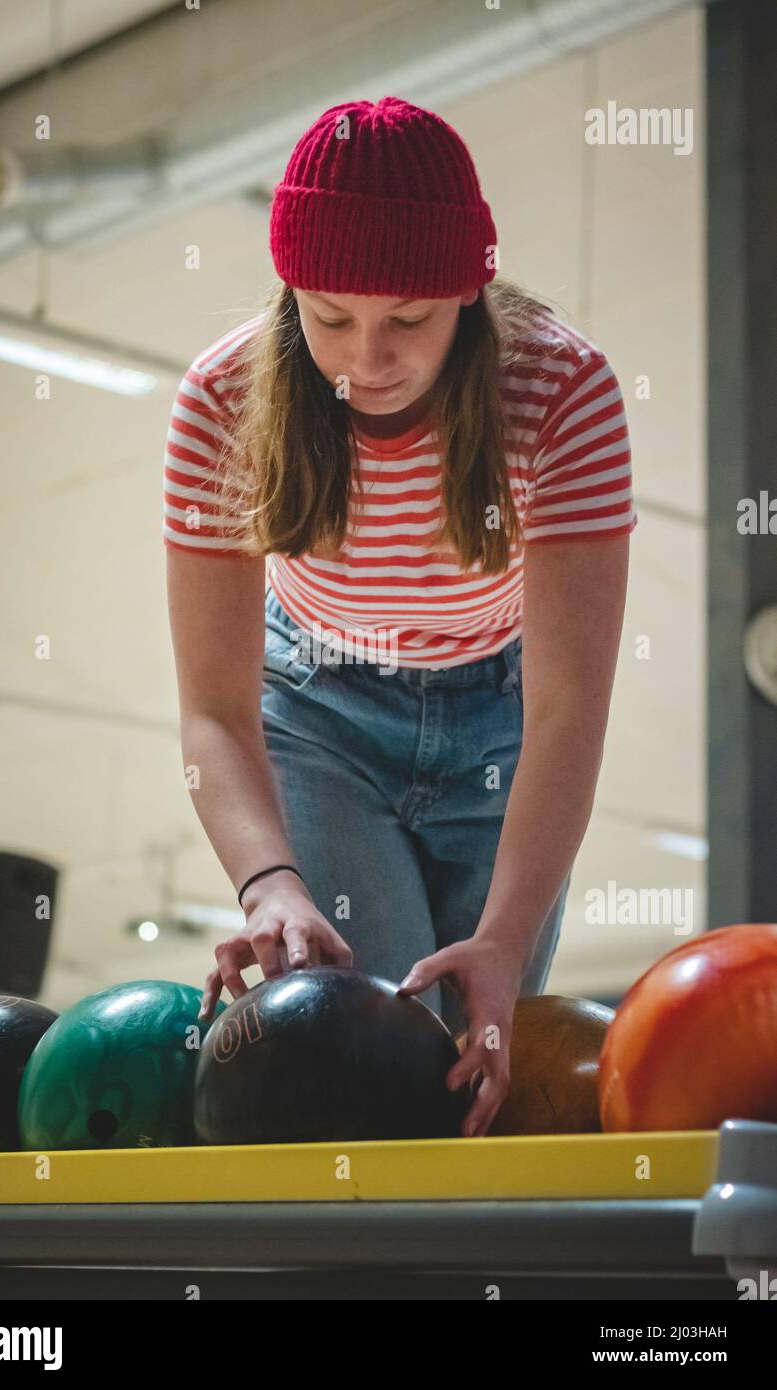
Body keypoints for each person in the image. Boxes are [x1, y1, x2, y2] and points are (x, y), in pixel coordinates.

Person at [164, 97, 636, 1137]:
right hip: (316, 713)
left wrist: (507, 941)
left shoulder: (560, 392)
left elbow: (566, 706)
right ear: (289, 290)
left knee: (469, 1067)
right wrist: (267, 883)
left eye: (408, 320)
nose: (364, 360)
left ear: (469, 287)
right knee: (376, 1062)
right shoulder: (220, 400)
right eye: (328, 316)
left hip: (502, 719)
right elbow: (212, 711)